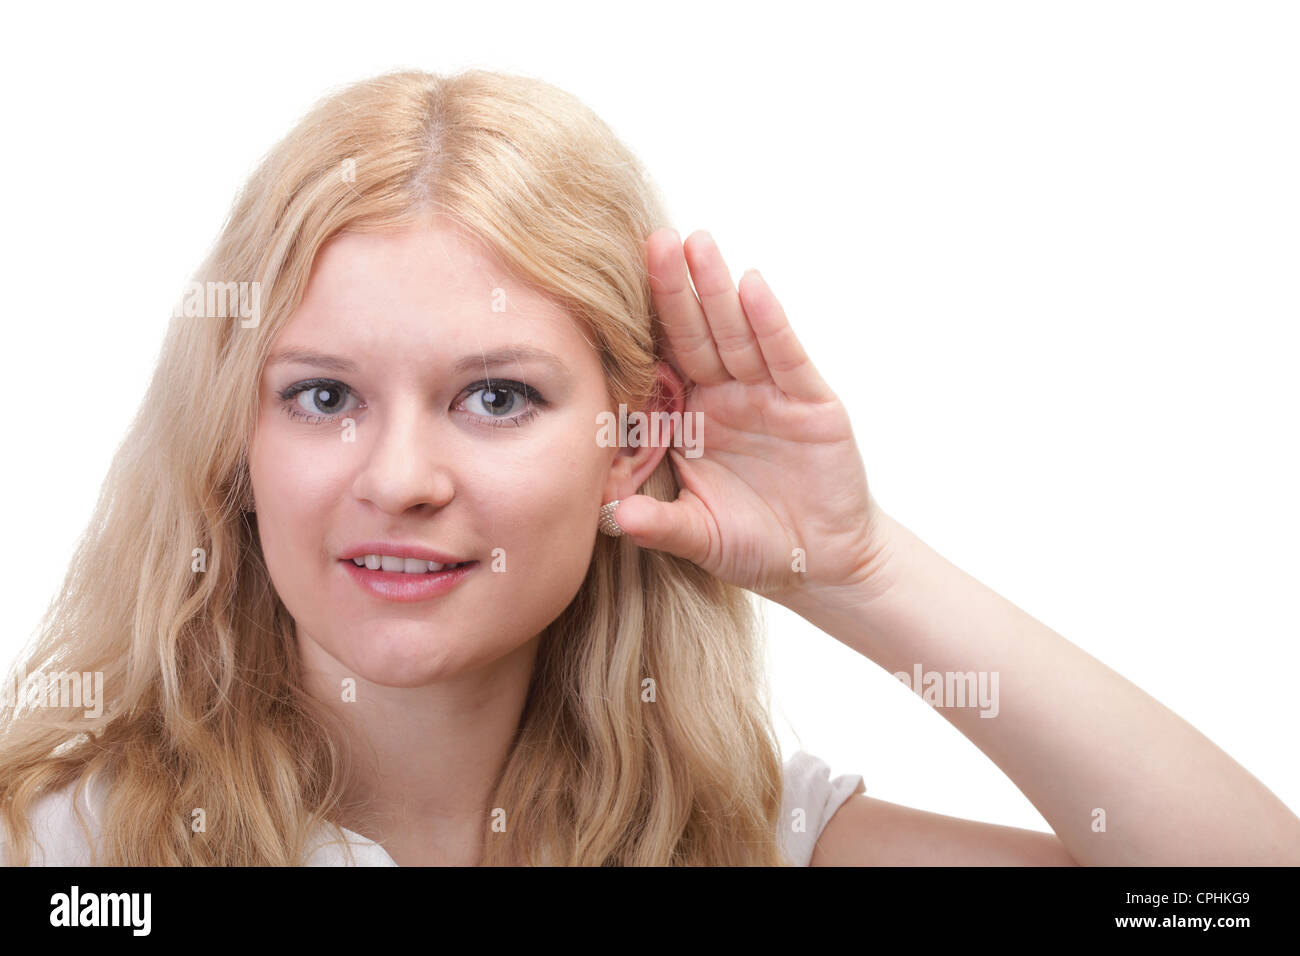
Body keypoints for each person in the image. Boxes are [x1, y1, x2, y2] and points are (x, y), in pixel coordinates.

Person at [2, 69, 1297, 866]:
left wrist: (859, 567)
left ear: (639, 430)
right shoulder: (60, 850)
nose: (399, 475)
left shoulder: (744, 843)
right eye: (323, 395)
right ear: (238, 435)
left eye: (495, 396)